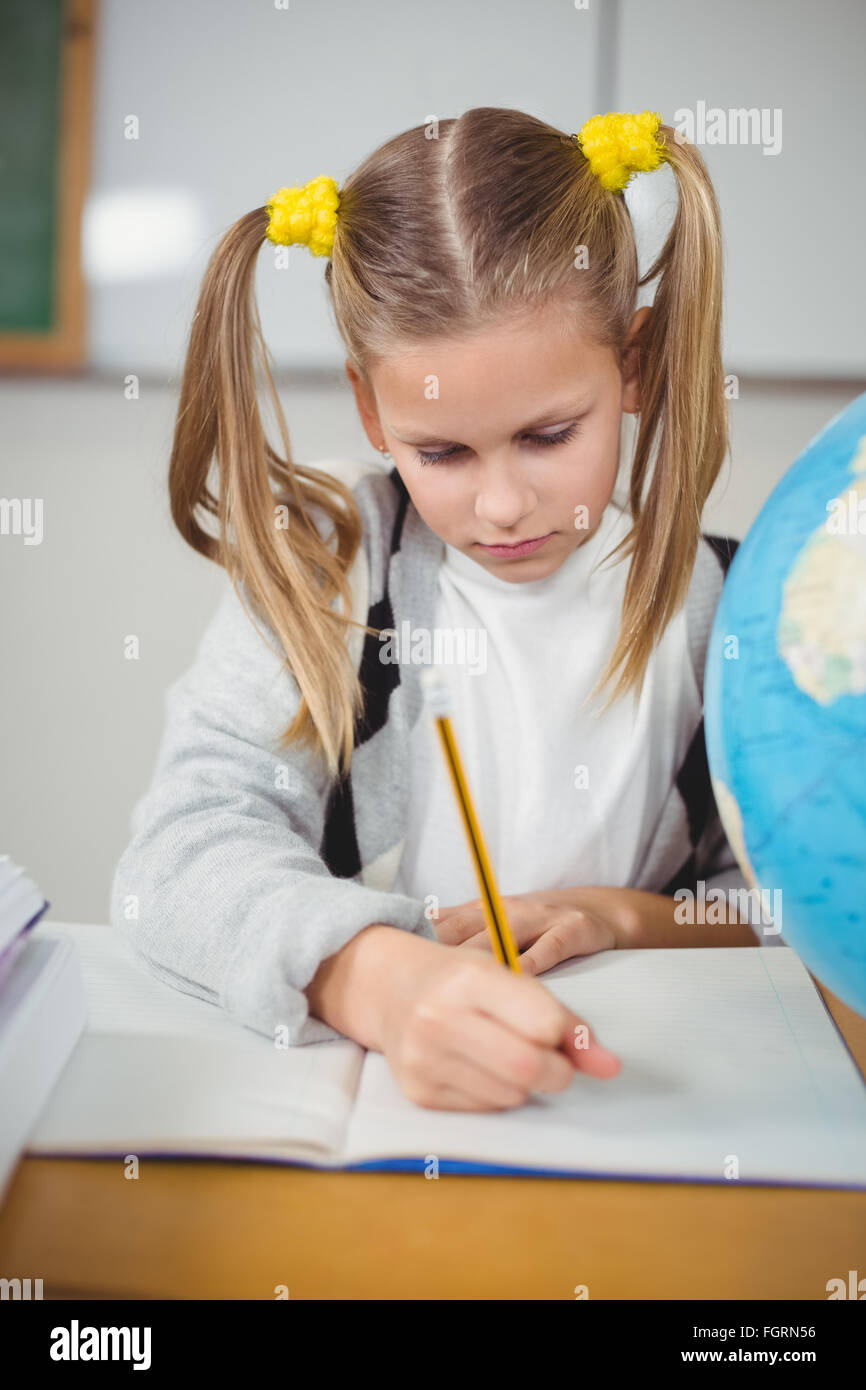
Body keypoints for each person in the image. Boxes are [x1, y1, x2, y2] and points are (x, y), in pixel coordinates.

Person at [111, 108, 764, 1114]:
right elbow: (177, 856)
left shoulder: (731, 607)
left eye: (547, 434)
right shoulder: (329, 564)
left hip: (626, 1111)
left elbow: (789, 902)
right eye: (442, 453)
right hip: (360, 1116)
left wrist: (631, 917)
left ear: (632, 365)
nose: (500, 505)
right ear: (373, 414)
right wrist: (374, 976)